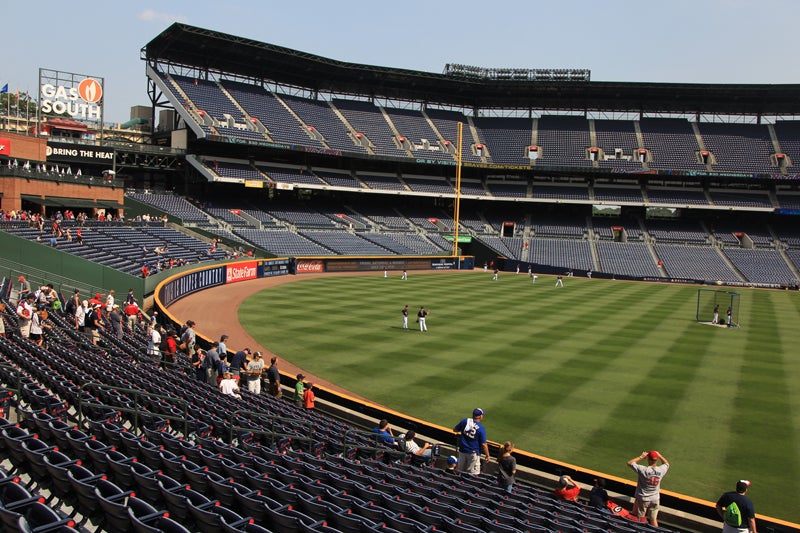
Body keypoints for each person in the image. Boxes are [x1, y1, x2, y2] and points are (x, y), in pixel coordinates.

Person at [627, 450, 670, 527]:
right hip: (655, 499)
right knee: (653, 519)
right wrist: (659, 455)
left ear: (648, 459)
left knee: (640, 519)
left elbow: (630, 463)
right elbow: (666, 463)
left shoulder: (643, 470)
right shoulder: (661, 470)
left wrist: (641, 457)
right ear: (656, 460)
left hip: (643, 499)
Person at [453, 408, 490, 475]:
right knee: (473, 473)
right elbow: (484, 444)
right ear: (480, 416)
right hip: (473, 453)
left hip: (462, 450)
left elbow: (455, 429)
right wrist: (487, 455)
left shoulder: (465, 421)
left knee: (459, 471)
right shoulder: (481, 428)